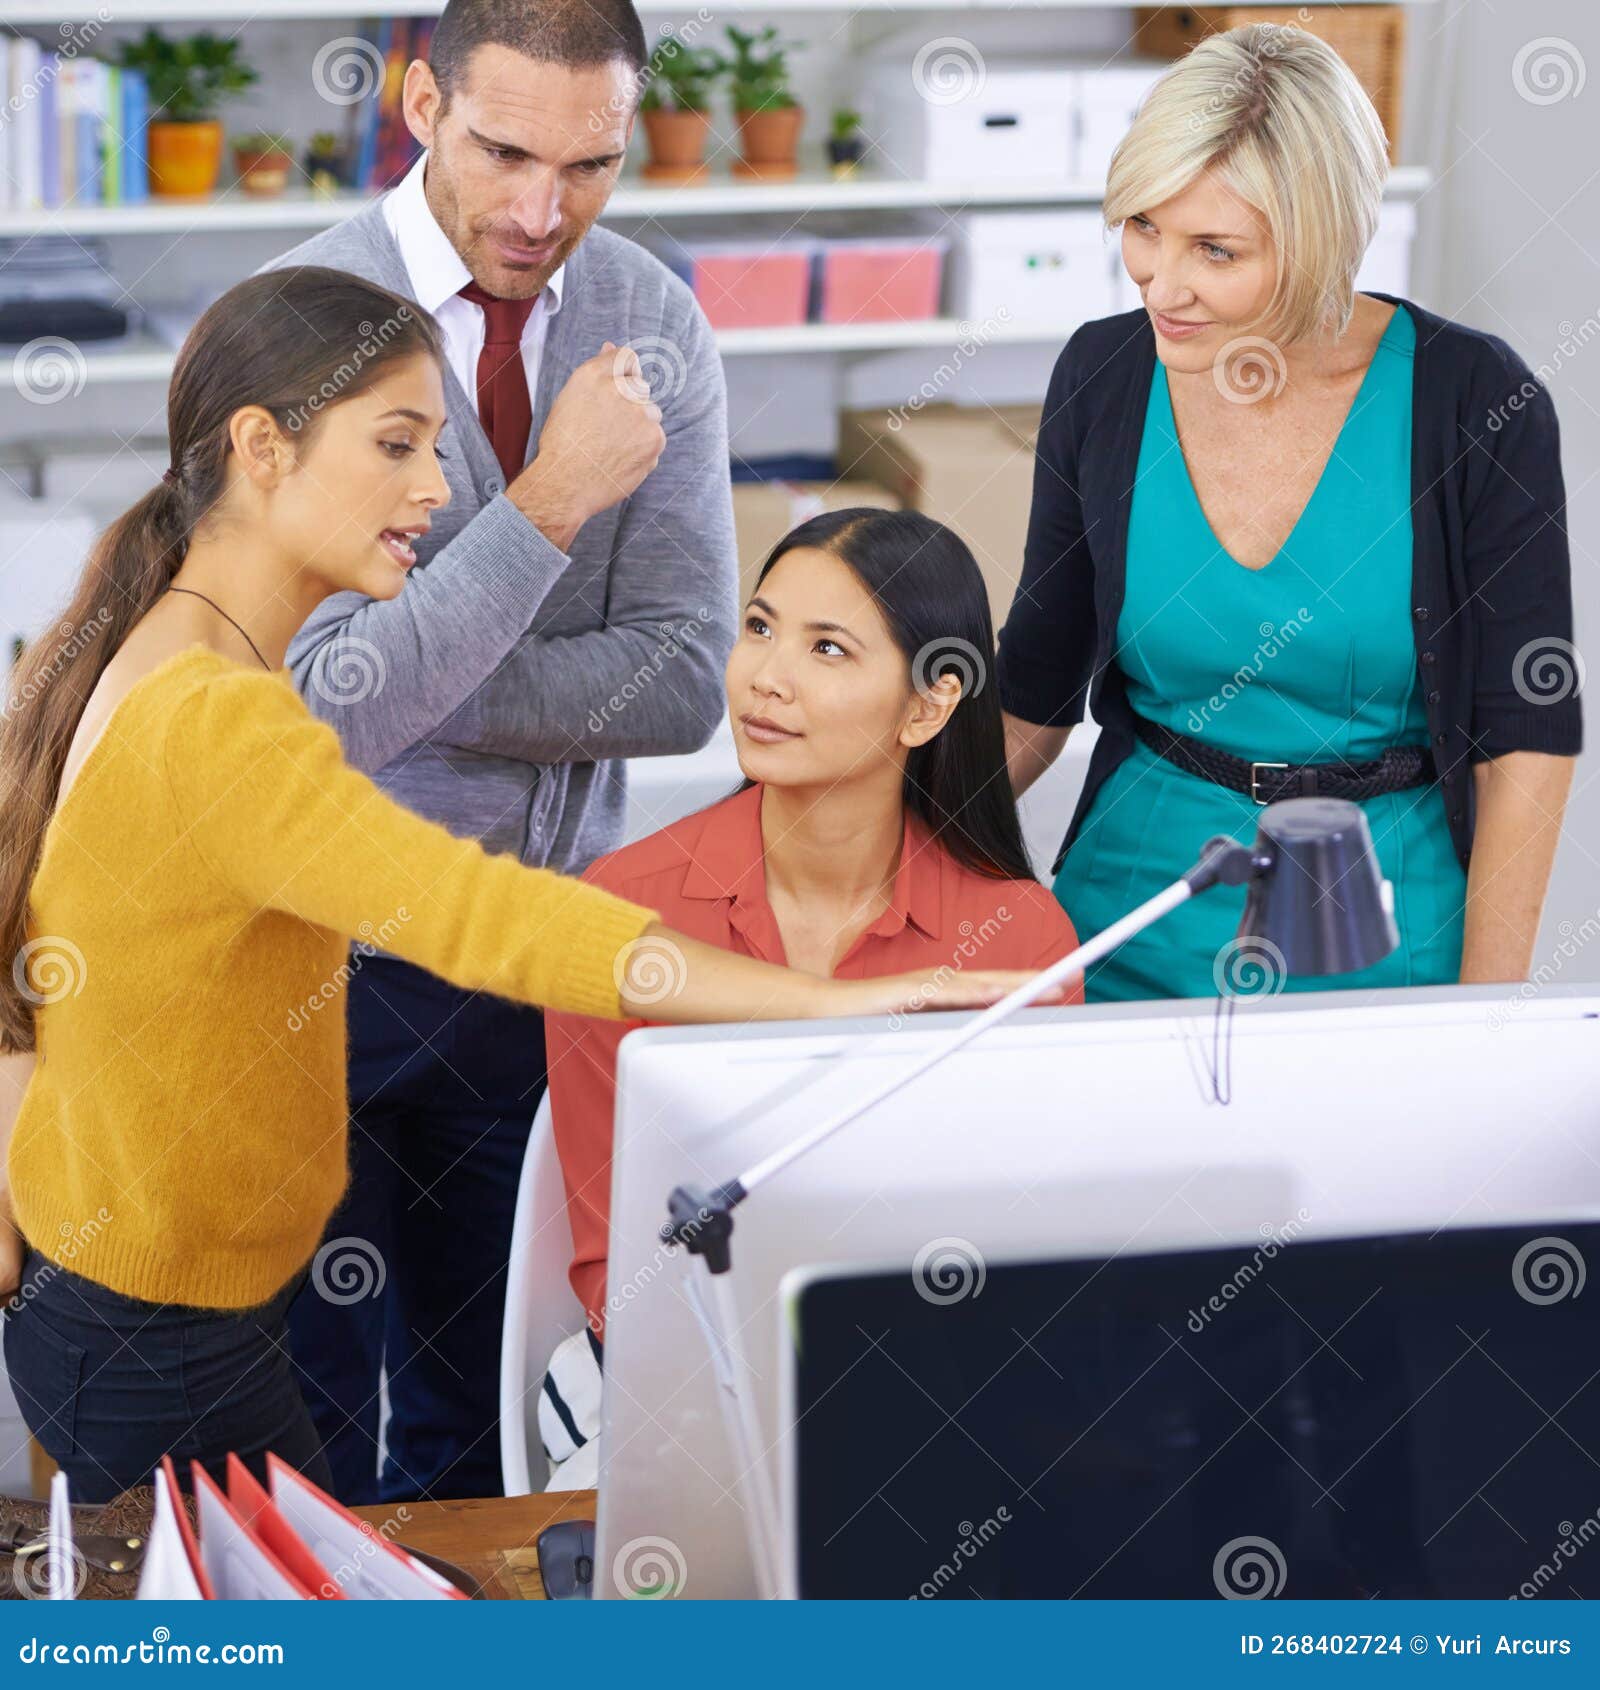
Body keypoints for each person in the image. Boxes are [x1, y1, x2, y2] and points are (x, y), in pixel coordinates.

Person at [0, 271, 1068, 1506]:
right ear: (261, 447)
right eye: (397, 446)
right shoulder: (218, 720)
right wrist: (820, 1004)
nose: (438, 491)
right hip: (160, 1339)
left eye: (438, 448)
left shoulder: (158, 647)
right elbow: (482, 912)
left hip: (142, 1314)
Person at [260, 0, 741, 1502]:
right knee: (311, 1428)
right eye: (506, 151)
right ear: (421, 103)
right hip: (306, 962)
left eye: (592, 164)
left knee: (489, 1426)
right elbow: (308, 708)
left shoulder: (652, 316)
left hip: (524, 958)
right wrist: (545, 508)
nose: (544, 212)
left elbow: (679, 683)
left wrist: (408, 657)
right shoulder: (295, 320)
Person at [998, 24, 1580, 1003]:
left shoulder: (1471, 398)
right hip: (1127, 920)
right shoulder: (1102, 375)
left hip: (1386, 939)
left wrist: (1487, 1015)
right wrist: (861, 848)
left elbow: (1524, 733)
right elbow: (1033, 685)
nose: (1157, 283)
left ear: (1319, 240)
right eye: (1143, 226)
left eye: (1214, 250)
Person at [539, 508, 1084, 1480]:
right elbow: (613, 1260)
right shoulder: (623, 910)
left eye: (826, 647)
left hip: (933, 1387)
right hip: (687, 1383)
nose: (766, 677)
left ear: (928, 705)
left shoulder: (1018, 939)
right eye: (758, 627)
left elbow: (1015, 1250)